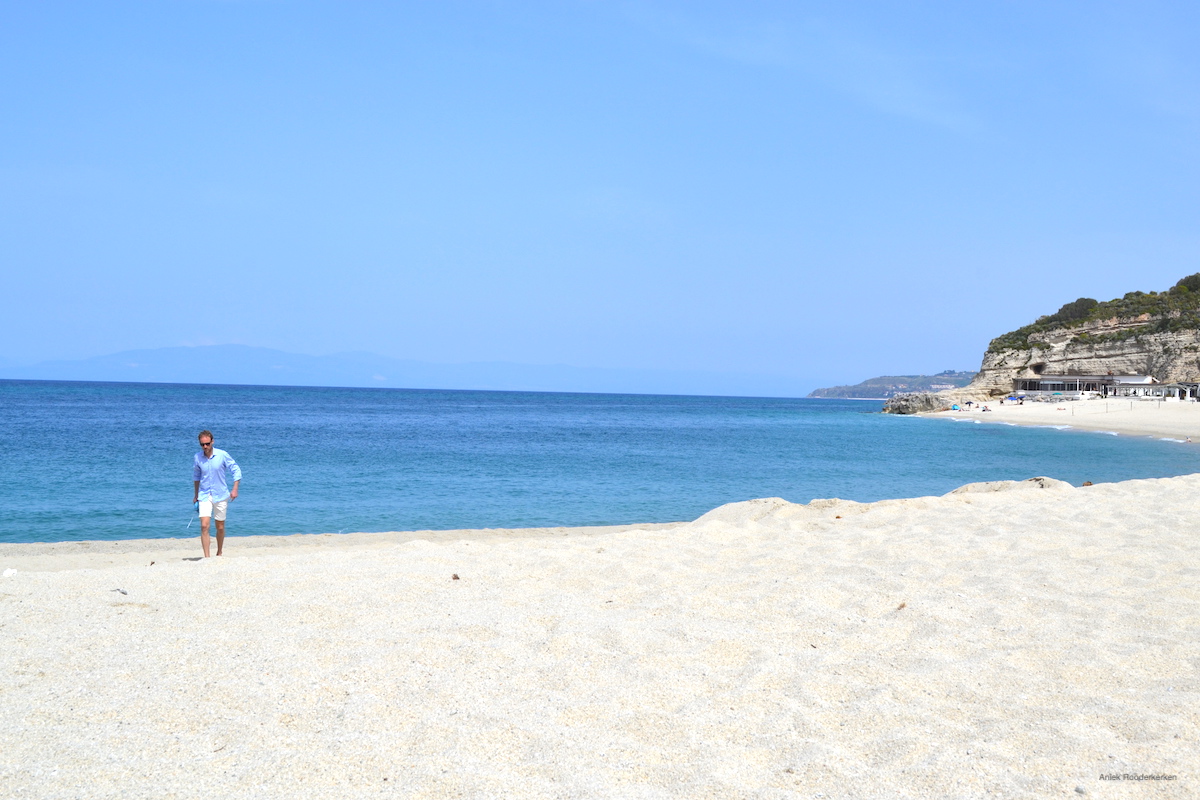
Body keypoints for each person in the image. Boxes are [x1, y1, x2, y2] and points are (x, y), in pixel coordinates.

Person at [192, 430, 242, 557]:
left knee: (219, 527)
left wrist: (235, 488)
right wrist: (196, 495)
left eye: (207, 444)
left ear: (212, 442)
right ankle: (207, 557)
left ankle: (219, 552)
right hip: (204, 494)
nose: (205, 447)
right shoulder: (197, 457)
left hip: (221, 494)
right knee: (204, 526)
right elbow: (196, 476)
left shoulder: (222, 455)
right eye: (202, 444)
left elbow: (235, 469)